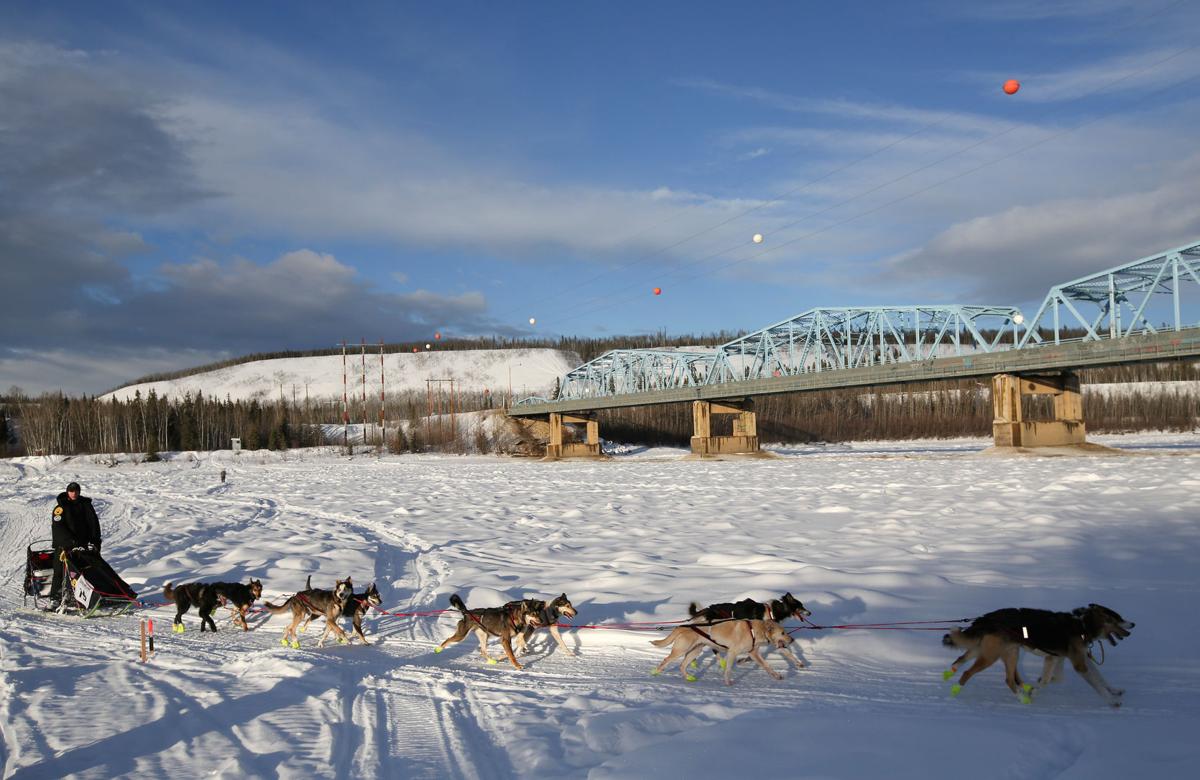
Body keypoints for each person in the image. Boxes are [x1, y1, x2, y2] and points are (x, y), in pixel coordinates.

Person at [48, 481, 102, 605]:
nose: (74, 493)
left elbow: (93, 524)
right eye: (71, 491)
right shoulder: (60, 508)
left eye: (76, 491)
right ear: (67, 492)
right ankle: (55, 598)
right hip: (64, 546)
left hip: (81, 546)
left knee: (84, 572)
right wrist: (70, 541)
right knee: (59, 572)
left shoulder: (85, 505)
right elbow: (58, 527)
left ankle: (84, 596)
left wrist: (95, 541)